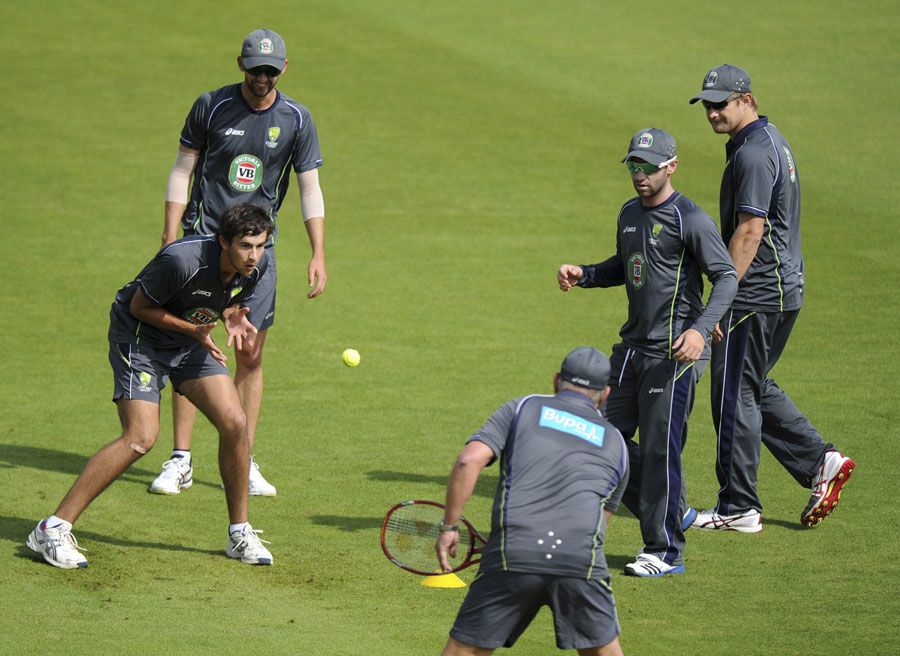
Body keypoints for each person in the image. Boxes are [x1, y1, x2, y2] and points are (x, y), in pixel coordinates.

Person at [26, 204, 275, 569]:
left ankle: (239, 534)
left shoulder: (255, 268)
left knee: (235, 423)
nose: (254, 255)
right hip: (140, 339)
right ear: (224, 241)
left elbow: (221, 299)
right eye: (245, 246)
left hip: (190, 340)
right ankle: (51, 529)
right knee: (141, 436)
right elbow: (139, 307)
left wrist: (229, 314)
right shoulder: (181, 260)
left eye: (260, 245)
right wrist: (193, 330)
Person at [150, 28, 327, 497]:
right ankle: (181, 458)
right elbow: (183, 168)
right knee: (191, 344)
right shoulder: (211, 106)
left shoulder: (296, 119)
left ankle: (243, 456)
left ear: (283, 69)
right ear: (240, 65)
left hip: (257, 254)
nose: (262, 78)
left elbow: (309, 187)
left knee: (250, 354)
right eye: (255, 70)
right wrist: (170, 232)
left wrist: (318, 250)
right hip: (203, 244)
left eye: (270, 70)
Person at [557, 128, 738, 576]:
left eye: (649, 167)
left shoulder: (689, 219)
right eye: (634, 166)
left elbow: (726, 276)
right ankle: (672, 510)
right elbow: (627, 265)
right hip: (632, 350)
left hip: (673, 354)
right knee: (597, 435)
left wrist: (700, 330)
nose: (640, 175)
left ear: (671, 167)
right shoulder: (629, 213)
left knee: (660, 451)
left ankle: (665, 551)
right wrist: (585, 274)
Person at [687, 64, 855, 531]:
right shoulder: (768, 139)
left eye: (720, 104)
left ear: (746, 100)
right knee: (751, 384)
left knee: (733, 394)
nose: (712, 112)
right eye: (707, 105)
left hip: (756, 293)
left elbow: (750, 230)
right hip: (781, 288)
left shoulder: (754, 153)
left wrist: (722, 297)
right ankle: (821, 462)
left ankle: (738, 507)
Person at [436, 347, 628, 656]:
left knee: (464, 651)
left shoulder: (522, 407)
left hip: (513, 553)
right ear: (605, 394)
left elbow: (468, 460)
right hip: (579, 561)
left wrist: (450, 527)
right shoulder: (617, 443)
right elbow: (598, 521)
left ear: (556, 380)